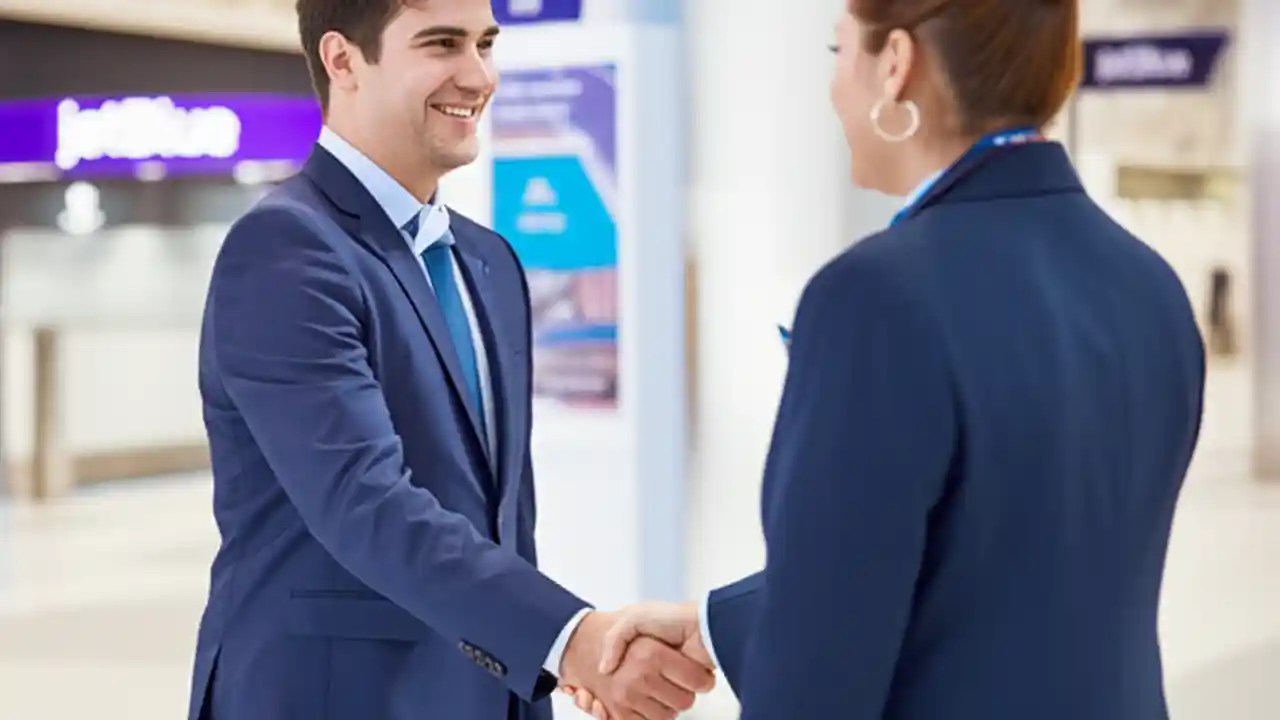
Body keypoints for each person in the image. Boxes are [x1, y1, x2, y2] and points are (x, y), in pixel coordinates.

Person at [569, 0, 1205, 718]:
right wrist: (719, 624)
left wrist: (789, 631)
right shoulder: (1147, 281)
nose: (836, 87)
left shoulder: (875, 298)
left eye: (839, 52)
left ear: (896, 63)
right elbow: (1018, 566)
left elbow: (817, 687)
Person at [185, 1, 714, 719]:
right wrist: (574, 638)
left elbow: (502, 522)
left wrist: (545, 662)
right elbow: (363, 502)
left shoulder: (488, 261)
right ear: (343, 61)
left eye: (486, 44)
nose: (479, 75)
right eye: (442, 44)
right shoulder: (287, 249)